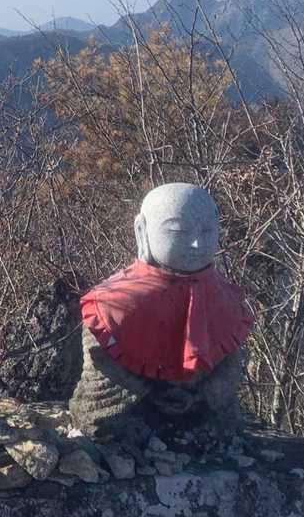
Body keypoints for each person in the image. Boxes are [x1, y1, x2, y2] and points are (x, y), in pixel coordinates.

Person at [69, 183, 253, 451]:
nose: (197, 243)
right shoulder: (113, 304)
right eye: (178, 231)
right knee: (112, 426)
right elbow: (101, 392)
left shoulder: (227, 298)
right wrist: (151, 395)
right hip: (136, 411)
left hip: (200, 411)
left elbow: (229, 368)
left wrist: (205, 395)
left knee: (222, 424)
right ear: (141, 231)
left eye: (208, 231)